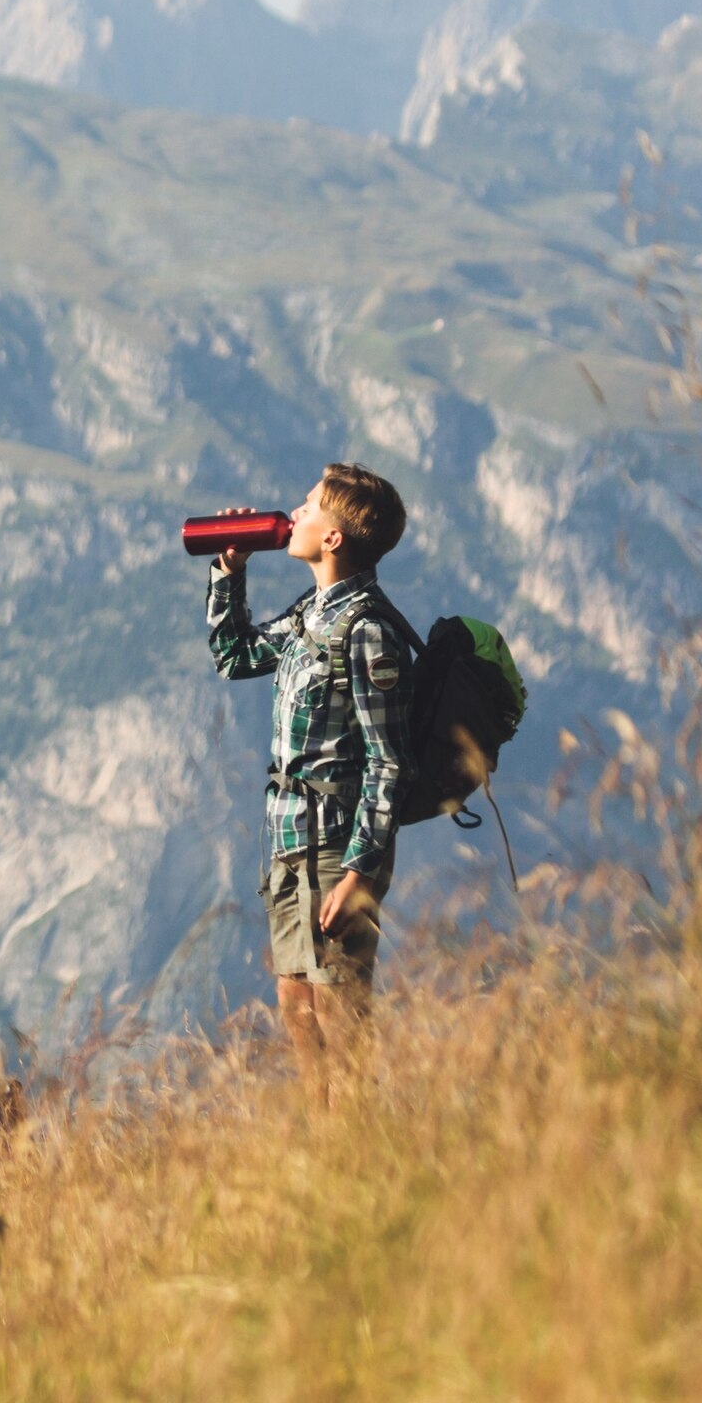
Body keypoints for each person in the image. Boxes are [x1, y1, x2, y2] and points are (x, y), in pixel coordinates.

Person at [206, 463, 415, 1091]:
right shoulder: (310, 616)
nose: (293, 514)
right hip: (289, 844)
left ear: (333, 539)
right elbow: (234, 656)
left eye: (308, 506)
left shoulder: (367, 631)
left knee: (341, 1016)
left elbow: (388, 762)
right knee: (297, 1012)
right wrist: (229, 571)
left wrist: (359, 874)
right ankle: (323, 1155)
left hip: (336, 850)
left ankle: (358, 1155)